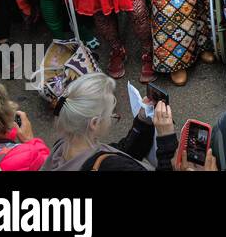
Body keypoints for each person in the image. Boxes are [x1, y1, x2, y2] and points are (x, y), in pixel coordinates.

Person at [45, 73, 177, 171]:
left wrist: (142, 122)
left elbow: (121, 152)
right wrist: (166, 139)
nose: (112, 117)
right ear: (94, 123)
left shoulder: (63, 146)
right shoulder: (112, 166)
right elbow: (115, 162)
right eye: (111, 114)